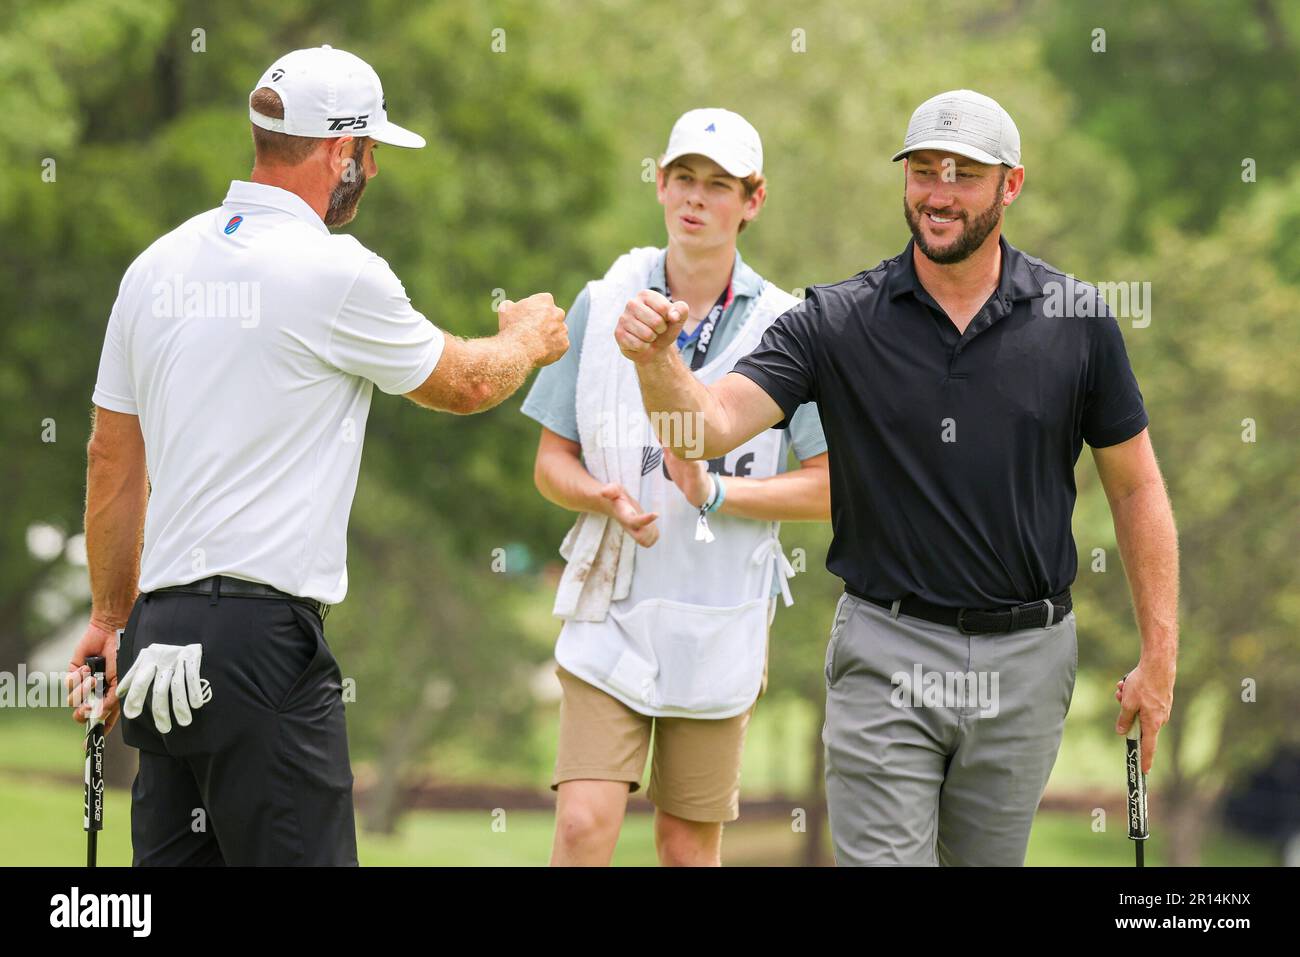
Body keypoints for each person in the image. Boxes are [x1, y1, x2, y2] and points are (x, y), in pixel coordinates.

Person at [617, 90, 1178, 866]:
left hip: (1027, 661)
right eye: (922, 170)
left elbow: (1136, 488)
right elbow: (704, 427)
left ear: (1011, 185)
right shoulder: (836, 320)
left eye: (963, 174)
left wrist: (1160, 656)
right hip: (887, 650)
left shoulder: (1076, 319)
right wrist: (656, 360)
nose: (938, 193)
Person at [64, 45, 568, 866]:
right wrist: (527, 339)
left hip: (157, 635)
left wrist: (108, 618)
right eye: (371, 153)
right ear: (342, 155)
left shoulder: (155, 266)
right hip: (260, 641)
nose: (373, 171)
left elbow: (109, 461)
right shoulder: (336, 272)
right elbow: (466, 384)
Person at [522, 108, 830, 866]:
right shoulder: (603, 303)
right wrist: (600, 497)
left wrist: (719, 494)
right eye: (683, 178)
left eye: (718, 184)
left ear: (752, 200)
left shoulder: (793, 327)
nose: (696, 198)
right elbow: (550, 460)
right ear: (659, 185)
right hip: (612, 606)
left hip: (720, 612)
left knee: (687, 847)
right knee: (583, 824)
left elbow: (830, 488)